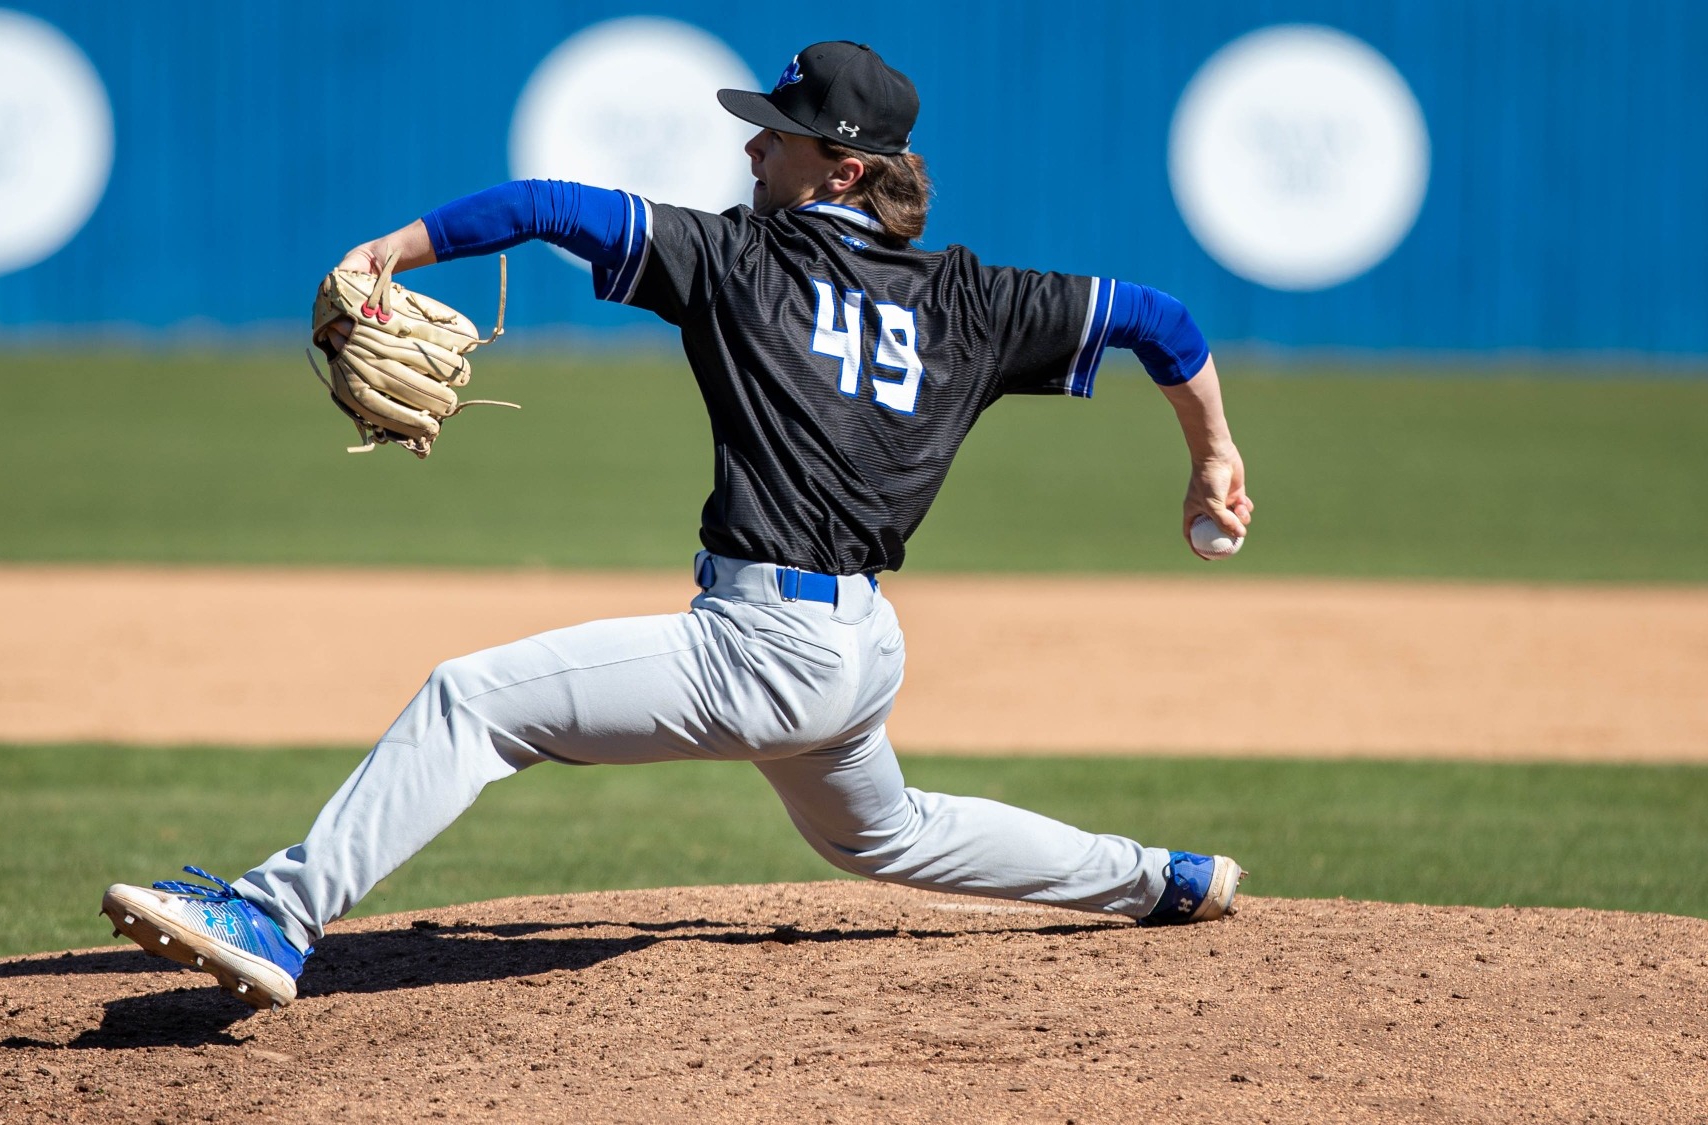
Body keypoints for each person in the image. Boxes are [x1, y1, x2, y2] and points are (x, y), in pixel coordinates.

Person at [102, 40, 1255, 1010]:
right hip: (859, 651)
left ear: (841, 172)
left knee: (471, 698)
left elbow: (542, 205)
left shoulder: (735, 260)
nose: (753, 145)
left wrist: (386, 254)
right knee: (883, 836)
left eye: (778, 135)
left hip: (764, 648)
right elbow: (1161, 320)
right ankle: (1159, 878)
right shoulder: (974, 300)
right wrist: (1213, 453)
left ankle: (272, 913)